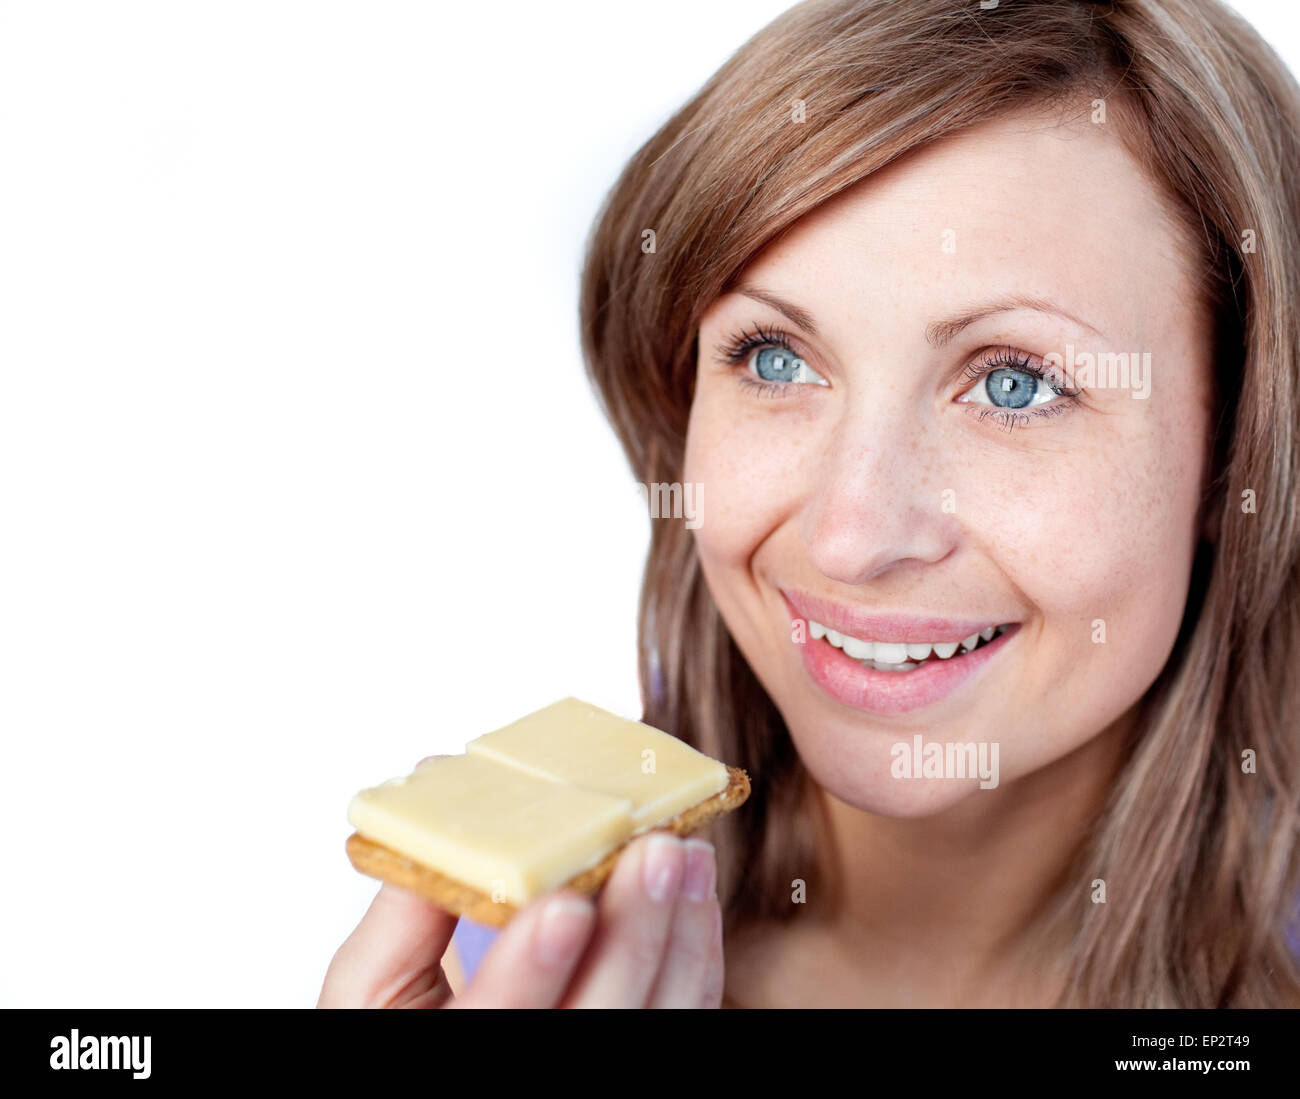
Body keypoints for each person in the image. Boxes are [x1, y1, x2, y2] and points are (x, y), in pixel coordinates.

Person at [319, 0, 1300, 1008]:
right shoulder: (501, 965)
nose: (850, 534)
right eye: (776, 358)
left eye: (1015, 383)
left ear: (1237, 449)